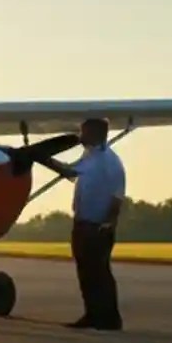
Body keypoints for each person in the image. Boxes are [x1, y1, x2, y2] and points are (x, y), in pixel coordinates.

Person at [64, 118, 126, 330]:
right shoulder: (88, 157)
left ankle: (110, 318)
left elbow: (117, 196)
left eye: (85, 132)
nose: (80, 137)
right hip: (81, 223)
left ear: (98, 134)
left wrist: (109, 222)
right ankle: (92, 314)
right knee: (86, 273)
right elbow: (70, 172)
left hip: (98, 226)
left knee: (100, 272)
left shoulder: (111, 162)